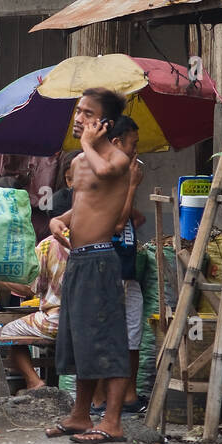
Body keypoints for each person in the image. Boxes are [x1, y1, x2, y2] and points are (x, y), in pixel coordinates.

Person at [45, 88, 134, 444]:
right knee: (80, 341)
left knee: (107, 341)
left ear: (105, 123)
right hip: (78, 260)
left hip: (100, 260)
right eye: (77, 111)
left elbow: (107, 170)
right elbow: (82, 206)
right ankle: (81, 415)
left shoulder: (117, 158)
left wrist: (88, 145)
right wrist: (58, 221)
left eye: (87, 113)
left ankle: (112, 421)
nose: (78, 119)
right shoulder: (81, 163)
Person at [104, 115, 147, 414]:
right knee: (107, 335)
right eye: (132, 143)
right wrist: (131, 186)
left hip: (127, 271)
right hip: (109, 269)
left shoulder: (119, 176)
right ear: (117, 142)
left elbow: (130, 218)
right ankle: (98, 401)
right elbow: (116, 225)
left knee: (133, 334)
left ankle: (128, 397)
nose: (135, 150)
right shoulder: (104, 175)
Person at [0, 229, 70, 389]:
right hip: (89, 319)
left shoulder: (49, 244)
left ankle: (34, 381)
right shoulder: (94, 239)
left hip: (56, 320)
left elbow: (30, 287)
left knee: (8, 331)